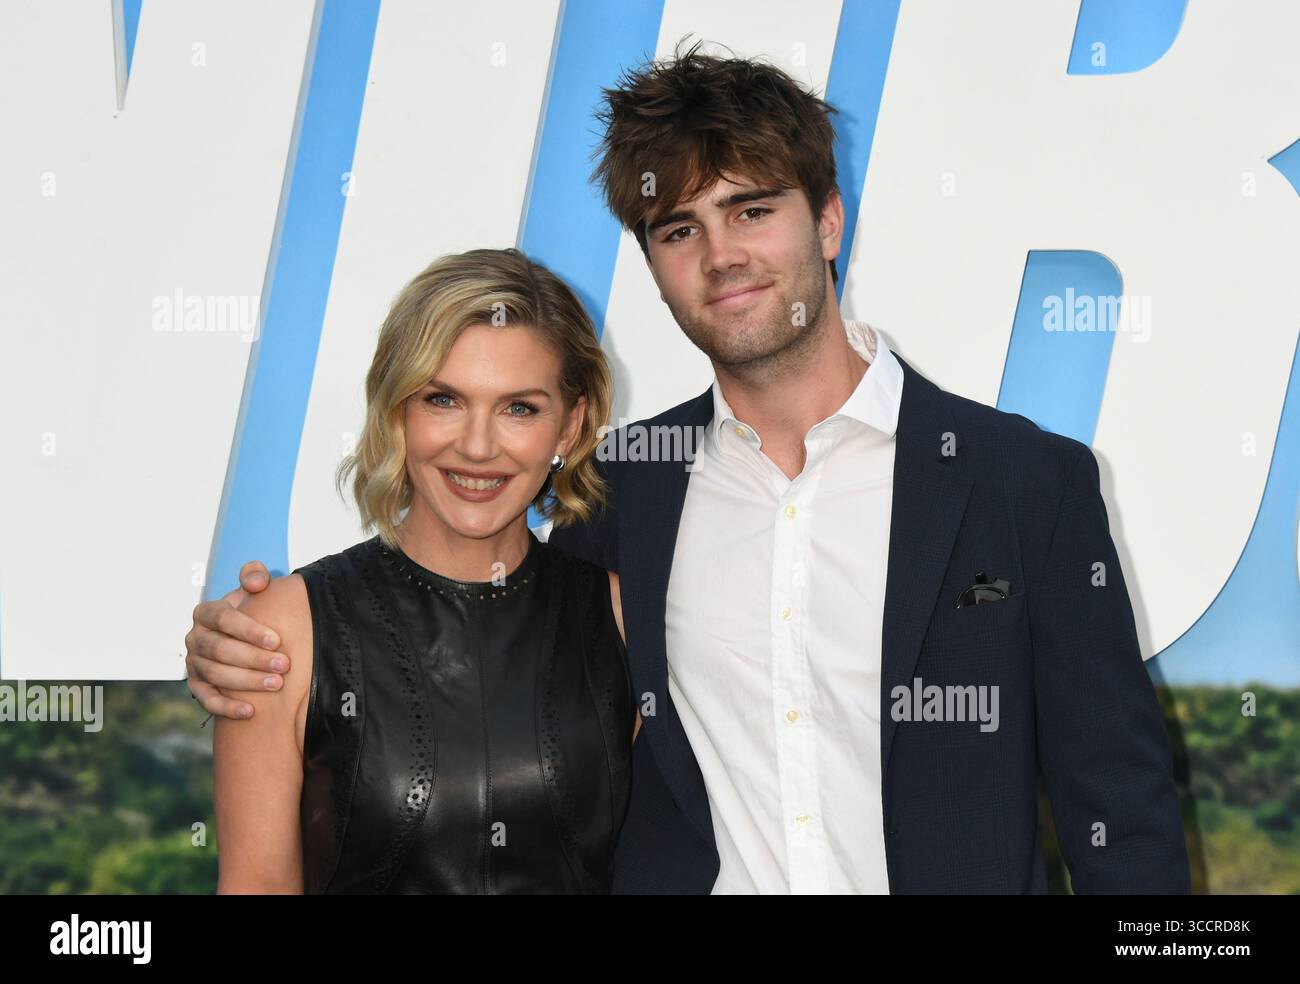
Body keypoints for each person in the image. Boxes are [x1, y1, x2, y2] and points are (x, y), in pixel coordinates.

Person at [191, 41, 1190, 894]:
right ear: (656, 264)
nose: (721, 255)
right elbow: (456, 632)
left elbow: (1124, 813)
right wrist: (249, 644)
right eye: (679, 229)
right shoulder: (618, 498)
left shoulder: (1023, 484)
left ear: (827, 222)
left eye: (752, 210)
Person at [211, 247, 639, 893]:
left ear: (570, 425)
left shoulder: (621, 619)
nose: (476, 445)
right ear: (396, 411)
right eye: (443, 399)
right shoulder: (280, 632)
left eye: (519, 407)